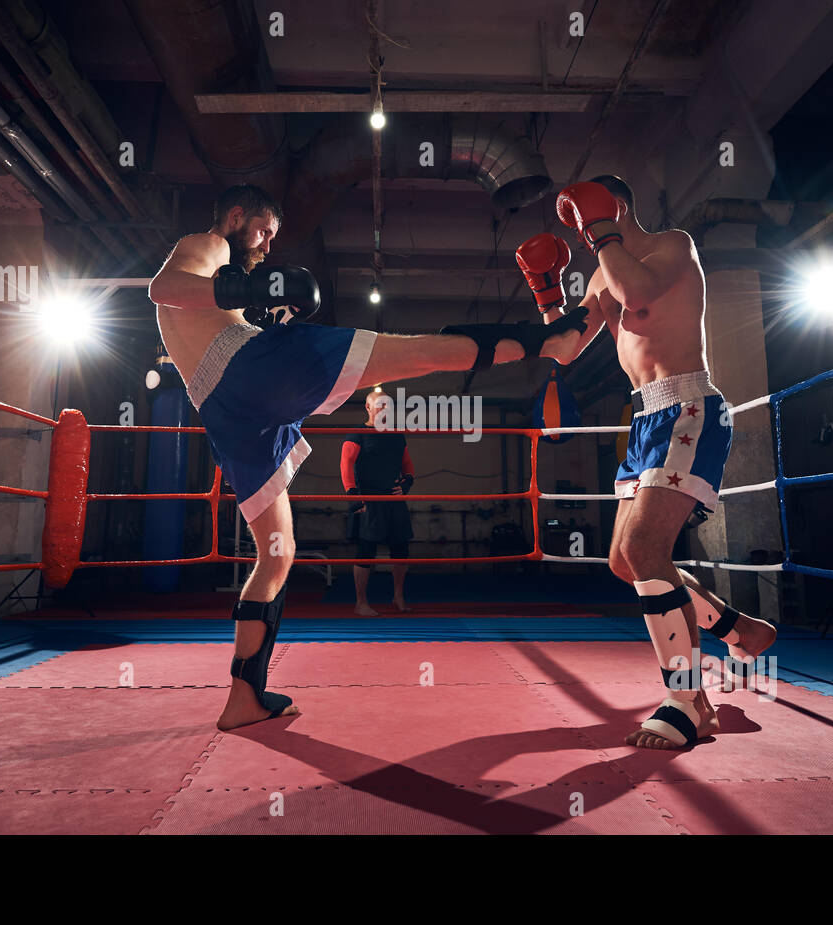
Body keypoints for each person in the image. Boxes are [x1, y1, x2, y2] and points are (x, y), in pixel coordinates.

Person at [149, 184, 589, 730]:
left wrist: (261, 307)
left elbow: (202, 308)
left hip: (228, 412)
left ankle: (244, 696)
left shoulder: (224, 285)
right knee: (417, 351)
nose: (265, 244)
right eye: (263, 231)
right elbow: (162, 287)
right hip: (248, 371)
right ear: (237, 215)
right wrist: (245, 285)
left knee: (277, 555)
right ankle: (546, 342)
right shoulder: (207, 244)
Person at [518, 175, 777, 749]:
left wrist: (603, 229)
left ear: (615, 207)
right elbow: (561, 348)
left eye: (585, 217)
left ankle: (687, 703)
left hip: (689, 406)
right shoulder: (600, 273)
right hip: (644, 421)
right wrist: (547, 292)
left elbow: (637, 296)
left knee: (643, 550)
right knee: (623, 562)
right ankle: (739, 629)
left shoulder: (670, 245)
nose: (580, 231)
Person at [342, 388, 415, 615]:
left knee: (401, 548)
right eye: (380, 405)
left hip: (393, 499)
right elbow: (346, 466)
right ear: (368, 407)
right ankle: (361, 603)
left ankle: (398, 597)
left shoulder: (396, 434)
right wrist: (353, 496)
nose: (385, 409)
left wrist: (405, 485)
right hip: (369, 499)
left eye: (388, 405)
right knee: (366, 550)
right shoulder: (357, 434)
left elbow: (408, 466)